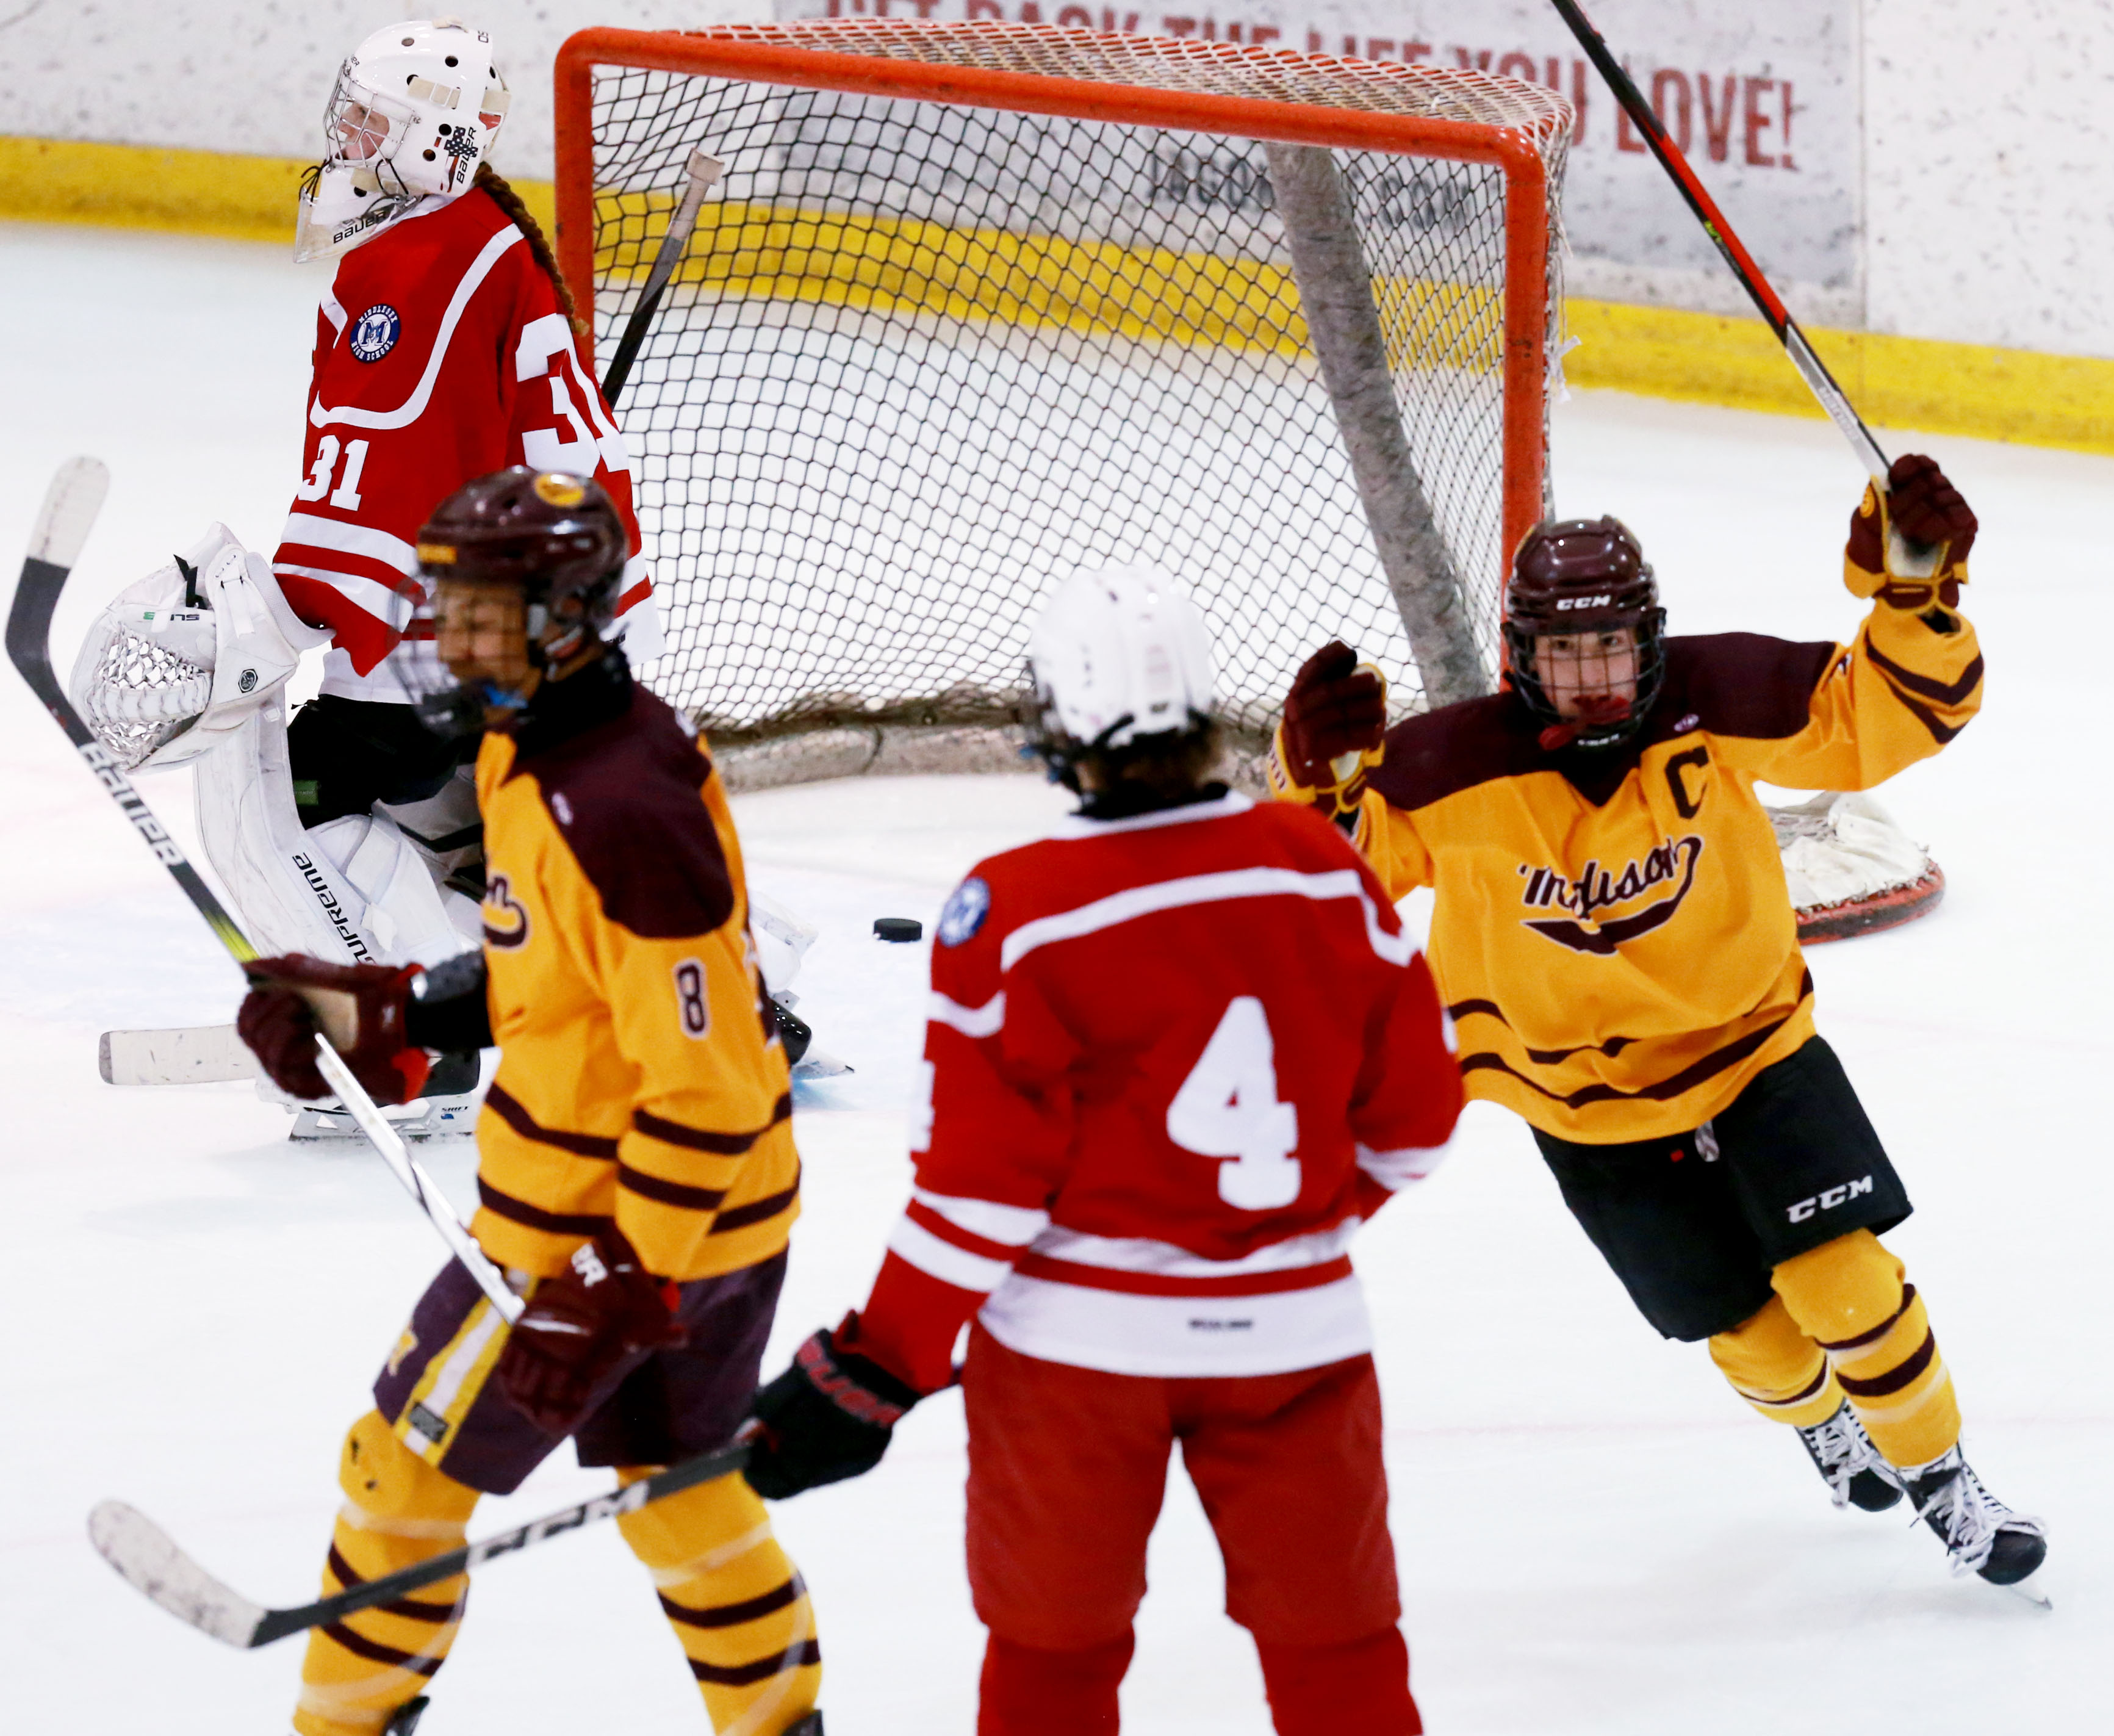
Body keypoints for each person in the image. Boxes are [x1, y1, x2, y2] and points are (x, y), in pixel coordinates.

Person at [1269, 455, 2046, 1596]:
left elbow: (1886, 717)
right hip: (1584, 1109)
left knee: (1845, 1284)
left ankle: (1944, 1482)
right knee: (1756, 1337)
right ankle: (1821, 1426)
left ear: (1652, 641)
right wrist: (1319, 796)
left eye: (1611, 648)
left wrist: (1915, 599)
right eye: (1562, 653)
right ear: (1519, 658)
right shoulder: (1442, 770)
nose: (1589, 679)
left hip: (1757, 1054)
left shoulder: (1714, 699)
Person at [738, 567, 1467, 1735]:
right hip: (1298, 1338)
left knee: (1053, 1659)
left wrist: (872, 1367)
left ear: (1055, 724)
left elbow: (978, 1198)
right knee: (1339, 1652)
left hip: (1076, 1363)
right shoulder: (1318, 865)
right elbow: (1422, 1116)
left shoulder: (1016, 907)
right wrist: (1283, 1239)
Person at [233, 469, 820, 1736]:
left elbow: (707, 1085)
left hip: (611, 1224)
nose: (450, 637)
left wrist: (618, 1279)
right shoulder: (545, 744)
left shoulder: (618, 805)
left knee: (396, 1471)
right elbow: (551, 975)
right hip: (715, 1216)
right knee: (676, 1487)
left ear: (568, 615)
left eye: (484, 612)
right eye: (447, 604)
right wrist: (382, 1015)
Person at [69, 16, 661, 1132]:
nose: (345, 140)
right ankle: (645, 977)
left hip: (496, 636)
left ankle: (412, 1040)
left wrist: (271, 621)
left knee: (284, 798)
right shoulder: (471, 234)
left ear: (434, 141)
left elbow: (388, 486)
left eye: (370, 122)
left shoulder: (420, 265)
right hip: (575, 623)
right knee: (448, 816)